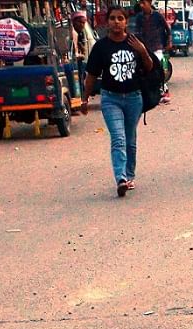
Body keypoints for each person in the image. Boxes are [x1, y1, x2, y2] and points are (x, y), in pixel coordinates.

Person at [81, 6, 154, 197]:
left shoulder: (135, 43)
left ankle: (129, 176)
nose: (116, 22)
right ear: (107, 22)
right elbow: (91, 75)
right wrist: (84, 98)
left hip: (133, 98)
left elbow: (149, 68)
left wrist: (143, 51)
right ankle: (120, 178)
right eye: (112, 18)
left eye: (120, 18)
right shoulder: (101, 47)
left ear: (126, 22)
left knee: (130, 140)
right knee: (118, 138)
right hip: (110, 99)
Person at [130, 0, 173, 102]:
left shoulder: (158, 16)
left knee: (159, 70)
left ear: (149, 3)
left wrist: (169, 42)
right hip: (145, 48)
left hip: (157, 47)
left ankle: (164, 91)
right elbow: (137, 32)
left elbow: (168, 29)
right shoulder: (139, 18)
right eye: (140, 3)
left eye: (143, 3)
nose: (141, 5)